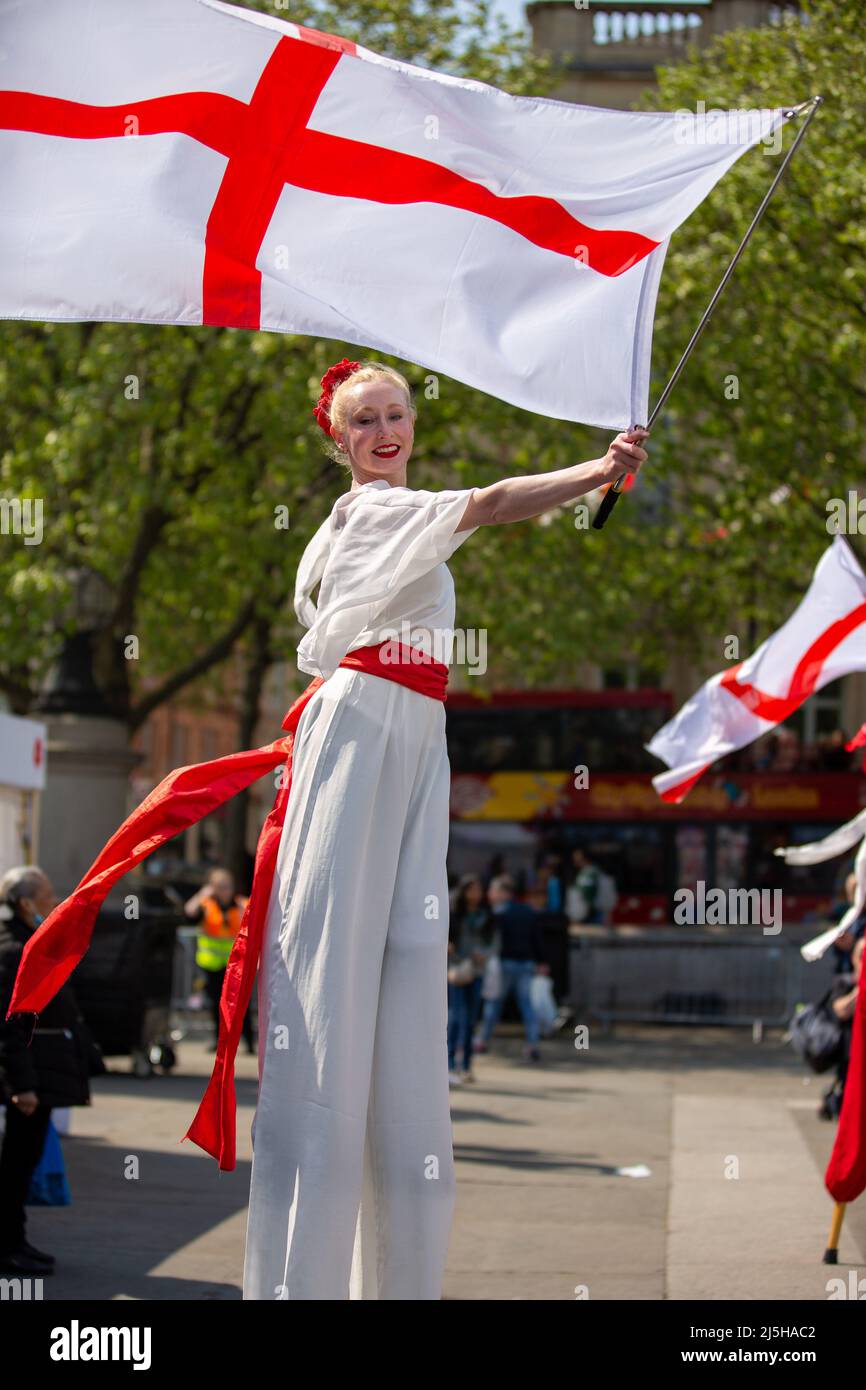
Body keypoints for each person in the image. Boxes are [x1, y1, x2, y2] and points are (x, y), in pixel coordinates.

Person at [7, 357, 647, 1301]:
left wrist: (598, 473)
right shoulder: (373, 511)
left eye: (397, 413)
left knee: (392, 968)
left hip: (403, 731)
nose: (388, 428)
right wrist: (595, 472)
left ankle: (369, 1274)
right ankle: (311, 1279)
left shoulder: (381, 516)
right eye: (366, 419)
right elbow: (496, 501)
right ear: (337, 439)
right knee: (341, 976)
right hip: (368, 724)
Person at [0, 866, 91, 1277]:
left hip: (41, 1072)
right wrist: (22, 1086)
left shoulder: (29, 940)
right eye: (48, 895)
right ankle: (7, 1246)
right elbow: (10, 1026)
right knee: (15, 1167)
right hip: (28, 1079)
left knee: (23, 1163)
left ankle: (15, 1241)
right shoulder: (11, 949)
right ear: (24, 903)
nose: (53, 903)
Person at [476, 874, 550, 1062]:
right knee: (527, 1005)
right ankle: (532, 1043)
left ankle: (482, 1040)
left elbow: (490, 940)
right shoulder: (528, 911)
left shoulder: (498, 913)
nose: (490, 894)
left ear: (504, 893)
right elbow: (538, 940)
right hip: (526, 963)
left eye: (493, 890)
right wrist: (542, 961)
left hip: (504, 963)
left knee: (494, 1003)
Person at [184, 869, 255, 1054]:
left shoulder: (241, 904)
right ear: (212, 888)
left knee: (239, 1004)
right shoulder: (206, 904)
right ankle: (219, 1042)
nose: (224, 891)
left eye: (227, 886)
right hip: (212, 964)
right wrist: (201, 894)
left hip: (235, 964)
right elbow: (189, 912)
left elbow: (253, 919)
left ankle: (248, 1042)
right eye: (219, 887)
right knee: (217, 1004)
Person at [446, 875, 495, 1085]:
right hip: (457, 969)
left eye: (478, 890)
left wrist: (484, 954)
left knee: (471, 1019)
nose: (475, 894)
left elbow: (494, 942)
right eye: (471, 890)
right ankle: (449, 1064)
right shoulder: (454, 914)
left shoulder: (487, 916)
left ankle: (466, 1064)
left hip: (477, 970)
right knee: (458, 1017)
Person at [819, 937, 863, 1121]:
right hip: (848, 1052)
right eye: (861, 958)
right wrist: (860, 991)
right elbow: (841, 1010)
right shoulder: (845, 983)